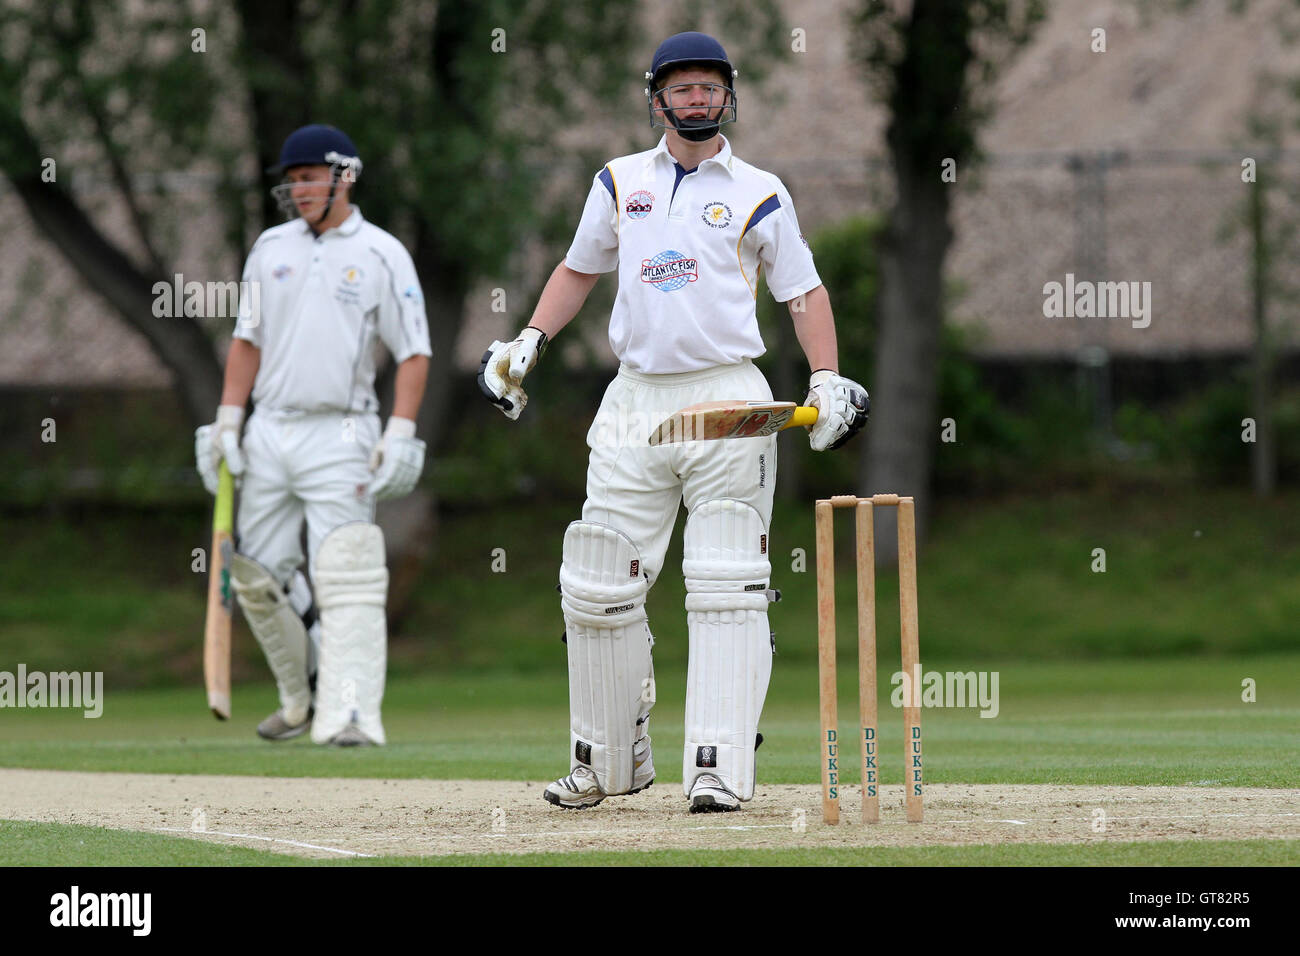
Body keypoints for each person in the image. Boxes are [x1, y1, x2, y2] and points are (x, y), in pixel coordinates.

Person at [479, 34, 869, 811]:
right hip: (633, 397)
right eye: (681, 88)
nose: (696, 99)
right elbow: (578, 268)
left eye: (709, 87)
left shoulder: (760, 188)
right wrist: (529, 341)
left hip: (727, 398)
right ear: (656, 99)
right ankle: (609, 763)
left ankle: (718, 767)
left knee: (727, 578)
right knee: (597, 578)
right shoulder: (621, 181)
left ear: (729, 96)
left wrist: (825, 377)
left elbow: (803, 291)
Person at [195, 124, 432, 746]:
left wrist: (401, 431)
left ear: (343, 176)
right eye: (291, 180)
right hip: (269, 428)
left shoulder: (381, 252)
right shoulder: (270, 247)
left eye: (309, 177)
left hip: (342, 430)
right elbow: (247, 341)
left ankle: (352, 712)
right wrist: (228, 419)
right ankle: (302, 697)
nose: (298, 189)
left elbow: (414, 351)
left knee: (346, 571)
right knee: (256, 571)